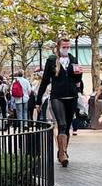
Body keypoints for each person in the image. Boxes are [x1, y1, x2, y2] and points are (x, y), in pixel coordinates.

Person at [34, 35, 84, 167]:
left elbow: (78, 80)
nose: (66, 49)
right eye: (64, 47)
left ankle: (63, 150)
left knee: (67, 126)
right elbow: (45, 80)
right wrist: (38, 100)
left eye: (68, 47)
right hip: (57, 96)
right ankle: (62, 154)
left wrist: (79, 74)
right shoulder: (52, 60)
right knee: (61, 124)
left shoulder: (73, 59)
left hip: (71, 96)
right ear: (58, 47)